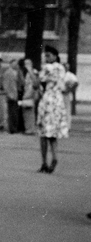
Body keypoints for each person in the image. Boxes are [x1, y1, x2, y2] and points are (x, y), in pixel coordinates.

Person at [36, 45, 69, 173]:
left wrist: (29, 69)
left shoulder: (48, 67)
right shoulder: (62, 68)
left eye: (48, 55)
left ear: (55, 56)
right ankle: (54, 157)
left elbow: (37, 83)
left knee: (43, 133)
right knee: (52, 134)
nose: (46, 58)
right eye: (45, 55)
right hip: (58, 101)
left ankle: (44, 161)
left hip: (48, 100)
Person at [2, 58, 23, 134]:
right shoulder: (8, 73)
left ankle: (14, 127)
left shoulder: (16, 72)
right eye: (14, 63)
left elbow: (20, 82)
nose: (16, 65)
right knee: (11, 112)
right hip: (11, 95)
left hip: (15, 94)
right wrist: (8, 94)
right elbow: (5, 84)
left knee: (14, 112)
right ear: (10, 64)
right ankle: (12, 128)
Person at [19, 59, 39, 135]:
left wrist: (30, 70)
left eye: (28, 63)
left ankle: (31, 129)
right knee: (26, 112)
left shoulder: (33, 71)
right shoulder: (26, 73)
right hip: (27, 92)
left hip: (31, 93)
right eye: (25, 63)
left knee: (30, 111)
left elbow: (35, 82)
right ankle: (28, 128)